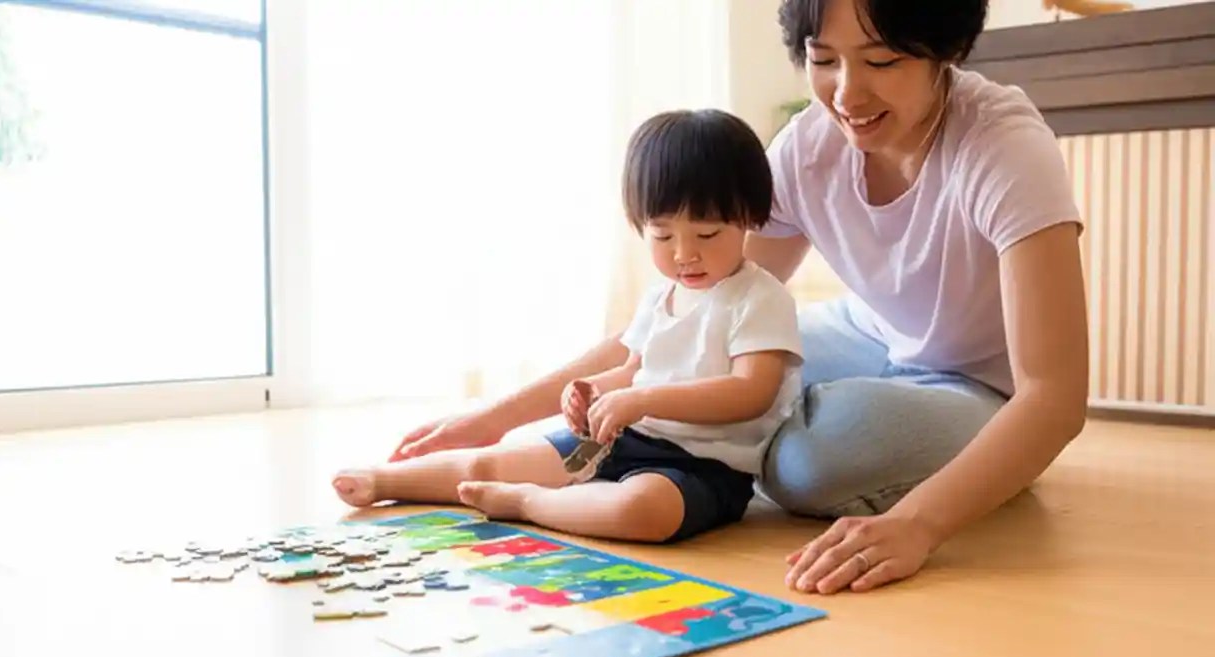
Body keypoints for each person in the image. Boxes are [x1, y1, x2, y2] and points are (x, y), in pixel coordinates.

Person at [380, 0, 1090, 595]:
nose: (847, 93)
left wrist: (922, 524)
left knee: (803, 465)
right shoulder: (812, 146)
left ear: (945, 51)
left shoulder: (1003, 149)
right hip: (866, 336)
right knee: (711, 369)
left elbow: (1054, 398)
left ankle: (710, 470)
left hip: (978, 386)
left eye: (882, 61)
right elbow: (690, 315)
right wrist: (491, 420)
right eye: (822, 59)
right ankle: (607, 475)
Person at [333, 109, 805, 544]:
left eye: (706, 235)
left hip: (705, 468)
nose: (684, 254)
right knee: (490, 462)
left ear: (749, 217)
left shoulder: (760, 298)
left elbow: (751, 392)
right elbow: (634, 369)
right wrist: (592, 390)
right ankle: (385, 480)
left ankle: (528, 503)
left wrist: (640, 399)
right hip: (625, 439)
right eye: (662, 235)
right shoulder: (662, 296)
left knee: (643, 510)